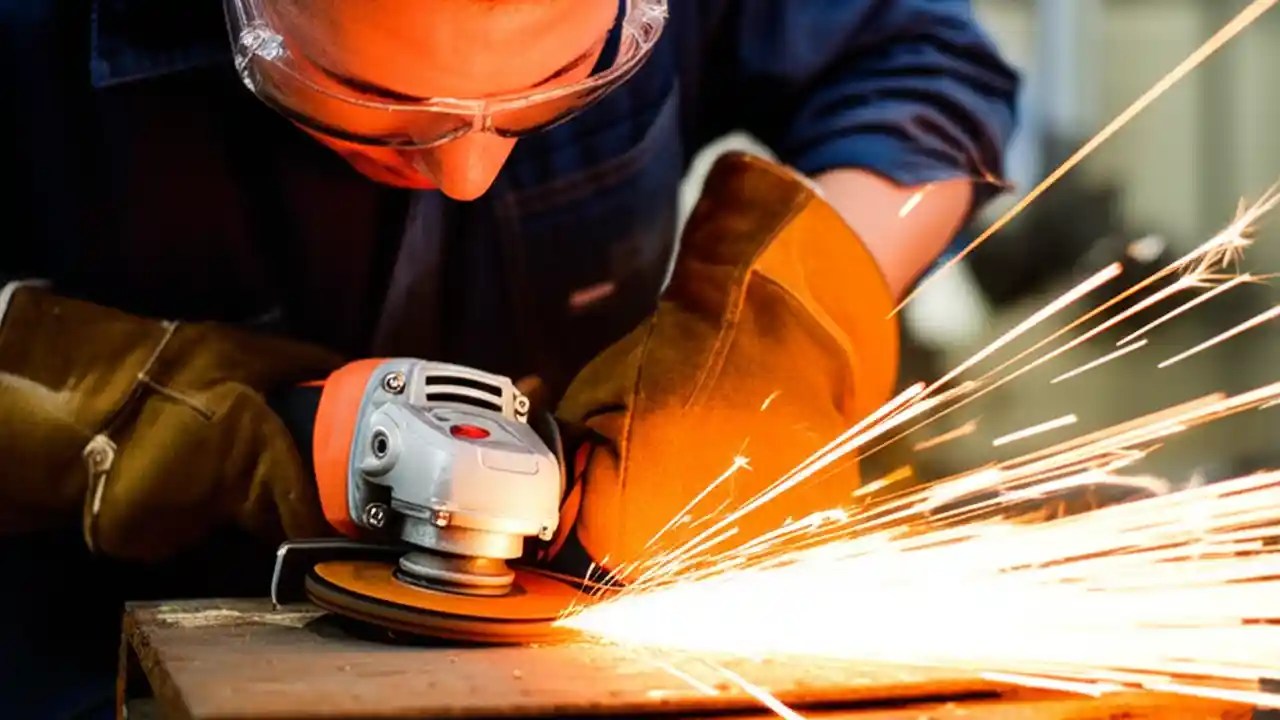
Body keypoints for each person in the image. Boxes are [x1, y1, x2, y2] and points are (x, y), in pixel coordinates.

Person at [0, 0, 1020, 716]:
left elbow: (919, 67)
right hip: (78, 643)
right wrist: (134, 411)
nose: (469, 172)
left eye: (554, 91)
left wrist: (786, 324)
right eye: (374, 99)